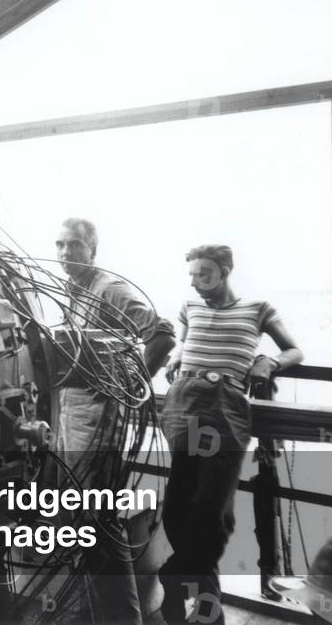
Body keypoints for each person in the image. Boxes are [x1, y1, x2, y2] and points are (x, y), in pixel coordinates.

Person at [158, 244, 303, 625]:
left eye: (204, 273)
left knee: (211, 512)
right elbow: (184, 343)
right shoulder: (189, 308)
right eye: (191, 274)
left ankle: (178, 586)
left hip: (223, 407)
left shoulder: (258, 308)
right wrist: (176, 355)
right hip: (183, 404)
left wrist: (267, 360)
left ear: (225, 271)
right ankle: (203, 608)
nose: (196, 282)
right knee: (176, 507)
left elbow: (294, 351)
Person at [54, 218, 175, 625]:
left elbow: (161, 333)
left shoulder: (109, 289)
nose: (65, 253)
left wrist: (124, 384)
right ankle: (99, 611)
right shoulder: (74, 291)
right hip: (76, 416)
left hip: (101, 418)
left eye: (74, 246)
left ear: (93, 250)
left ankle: (126, 616)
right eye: (60, 245)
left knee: (98, 518)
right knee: (84, 516)